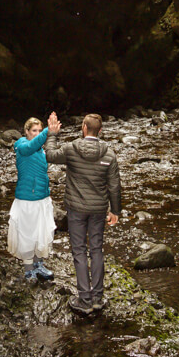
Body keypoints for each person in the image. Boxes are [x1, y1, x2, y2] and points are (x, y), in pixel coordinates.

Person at [45, 111, 121, 315]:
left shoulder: (71, 148)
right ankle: (97, 298)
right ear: (101, 131)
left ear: (84, 128)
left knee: (79, 251)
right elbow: (114, 186)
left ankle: (84, 300)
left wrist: (52, 134)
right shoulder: (109, 154)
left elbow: (50, 155)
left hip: (76, 208)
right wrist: (115, 210)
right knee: (96, 249)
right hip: (98, 209)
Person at [7, 117, 55, 280]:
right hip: (27, 200)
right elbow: (30, 146)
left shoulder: (41, 150)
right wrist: (49, 131)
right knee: (27, 235)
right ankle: (29, 270)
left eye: (39, 131)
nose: (37, 134)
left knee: (41, 233)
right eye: (33, 130)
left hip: (42, 198)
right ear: (26, 132)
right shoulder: (22, 146)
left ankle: (38, 264)